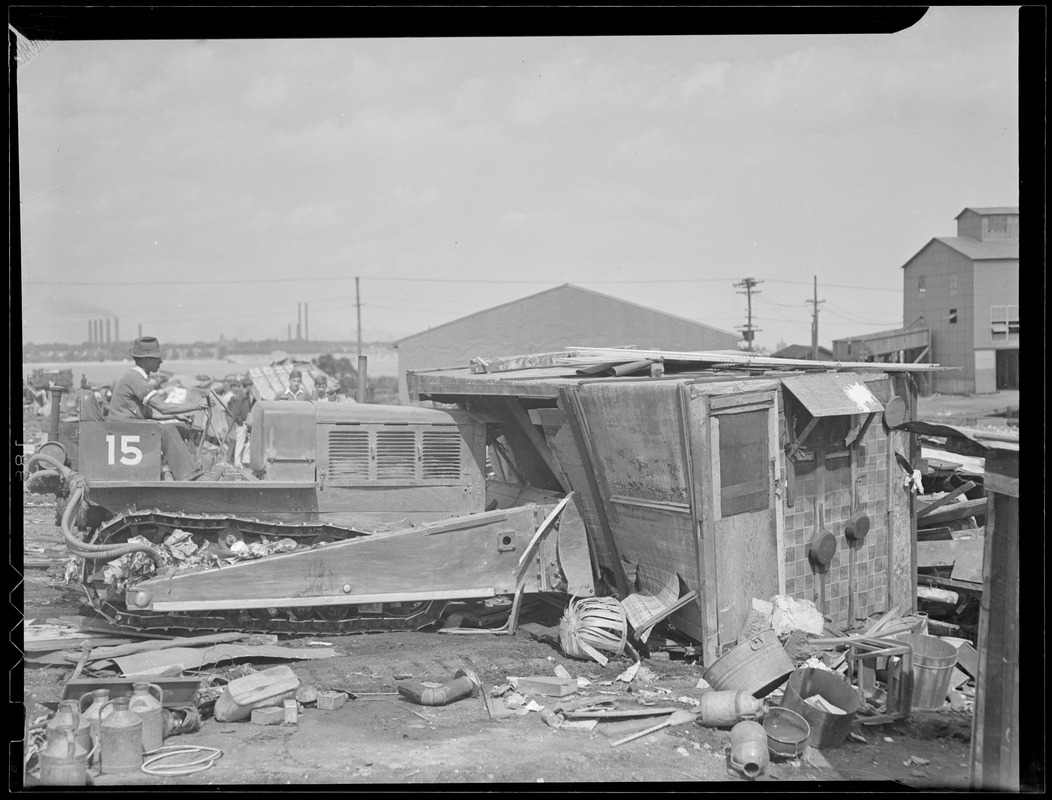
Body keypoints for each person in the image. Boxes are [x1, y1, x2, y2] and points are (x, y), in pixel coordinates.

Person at [108, 336, 210, 481]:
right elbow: (162, 407)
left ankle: (193, 467)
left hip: (130, 426)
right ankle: (189, 475)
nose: (161, 361)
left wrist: (176, 416)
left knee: (181, 427)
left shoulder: (136, 378)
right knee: (167, 431)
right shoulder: (136, 379)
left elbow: (151, 413)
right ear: (146, 360)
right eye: (157, 358)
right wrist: (197, 405)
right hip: (123, 429)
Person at [226, 377, 254, 467]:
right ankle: (237, 462)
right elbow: (235, 413)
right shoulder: (240, 397)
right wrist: (241, 423)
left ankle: (244, 460)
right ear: (248, 386)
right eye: (251, 386)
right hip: (241, 423)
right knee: (240, 442)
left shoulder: (245, 396)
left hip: (245, 422)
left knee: (247, 442)